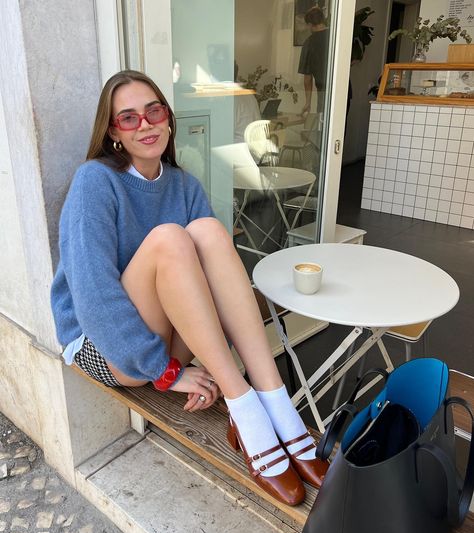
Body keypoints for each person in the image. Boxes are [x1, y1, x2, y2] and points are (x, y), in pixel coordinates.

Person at [50, 70, 328, 506]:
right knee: (169, 238)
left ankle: (275, 401)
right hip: (107, 347)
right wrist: (166, 372)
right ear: (112, 131)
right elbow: (92, 294)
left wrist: (202, 362)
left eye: (153, 111)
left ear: (168, 119)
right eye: (128, 118)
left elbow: (214, 287)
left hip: (161, 338)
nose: (145, 124)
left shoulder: (182, 183)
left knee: (210, 232)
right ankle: (246, 409)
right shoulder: (95, 180)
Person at [298, 6, 329, 116]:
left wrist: (308, 102)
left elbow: (307, 78)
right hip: (344, 90)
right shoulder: (336, 36)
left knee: (324, 126)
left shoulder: (309, 44)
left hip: (325, 94)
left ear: (310, 25)